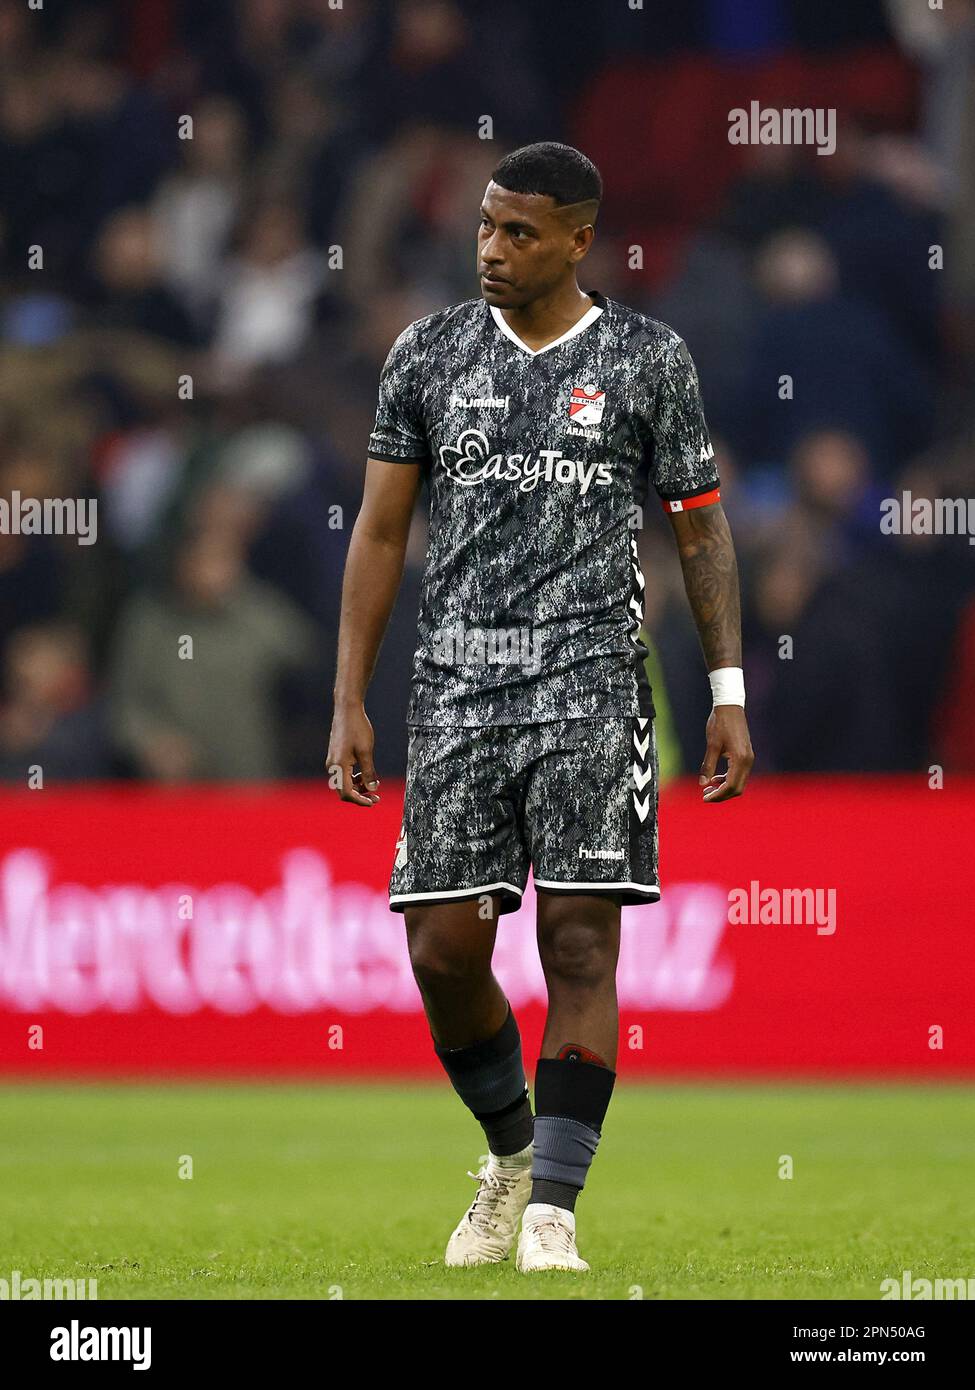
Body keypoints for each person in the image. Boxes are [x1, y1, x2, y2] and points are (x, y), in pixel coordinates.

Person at [327, 142, 754, 1273]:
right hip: (458, 681)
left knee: (577, 937)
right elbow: (377, 533)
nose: (492, 249)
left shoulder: (647, 359)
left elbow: (700, 529)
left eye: (520, 232)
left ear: (578, 238)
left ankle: (555, 1211)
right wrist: (349, 700)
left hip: (593, 682)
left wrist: (726, 690)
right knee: (443, 949)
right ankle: (510, 1155)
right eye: (484, 226)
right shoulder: (426, 353)